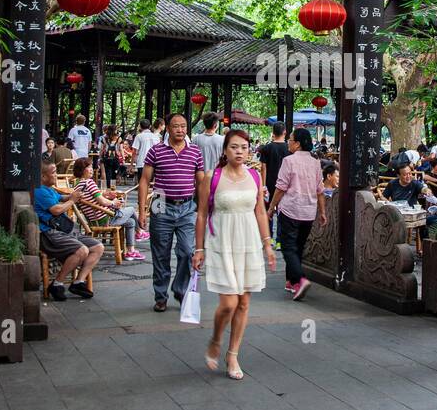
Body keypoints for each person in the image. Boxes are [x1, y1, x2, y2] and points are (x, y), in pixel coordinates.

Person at [193, 129, 276, 380]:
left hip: (248, 242)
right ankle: (216, 339)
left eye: (244, 147)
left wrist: (267, 244)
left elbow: (260, 212)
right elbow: (201, 214)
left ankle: (232, 354)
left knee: (244, 302)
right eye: (234, 147)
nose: (239, 151)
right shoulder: (212, 176)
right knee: (228, 303)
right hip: (221, 242)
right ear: (225, 150)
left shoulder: (255, 176)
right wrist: (199, 249)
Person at [139, 113, 206, 312]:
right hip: (160, 204)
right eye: (176, 126)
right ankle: (161, 296)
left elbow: (201, 181)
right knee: (161, 255)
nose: (180, 130)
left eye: (184, 126)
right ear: (167, 127)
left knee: (187, 251)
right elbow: (144, 181)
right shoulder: (155, 151)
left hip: (187, 207)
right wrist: (142, 211)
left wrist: (205, 207)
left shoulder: (195, 151)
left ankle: (180, 288)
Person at [269, 128, 327, 301]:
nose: (288, 142)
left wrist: (271, 207)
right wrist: (322, 212)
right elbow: (320, 190)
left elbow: (281, 188)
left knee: (288, 247)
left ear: (298, 143)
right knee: (298, 247)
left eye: (291, 139)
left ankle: (300, 279)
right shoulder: (315, 162)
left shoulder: (289, 161)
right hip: (309, 212)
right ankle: (291, 281)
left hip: (290, 210)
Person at [33, 159, 103, 300]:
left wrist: (72, 196)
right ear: (43, 176)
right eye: (53, 172)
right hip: (49, 234)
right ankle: (57, 284)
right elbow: (56, 210)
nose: (56, 175)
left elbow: (61, 197)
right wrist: (73, 200)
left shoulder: (49, 189)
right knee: (82, 250)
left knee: (98, 247)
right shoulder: (39, 191)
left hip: (64, 231)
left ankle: (79, 282)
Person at [71, 157, 145, 262]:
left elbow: (95, 199)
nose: (91, 169)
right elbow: (103, 202)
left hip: (94, 220)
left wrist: (105, 196)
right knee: (132, 209)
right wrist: (113, 203)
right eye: (88, 167)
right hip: (106, 218)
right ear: (81, 170)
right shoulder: (89, 183)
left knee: (131, 222)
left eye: (91, 167)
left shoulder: (78, 186)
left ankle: (130, 251)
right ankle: (140, 232)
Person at [257, 122, 289, 246]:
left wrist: (264, 185)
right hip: (284, 185)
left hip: (270, 183)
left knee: (268, 211)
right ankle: (279, 241)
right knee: (282, 212)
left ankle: (269, 238)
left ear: (273, 132)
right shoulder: (288, 148)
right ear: (285, 132)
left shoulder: (267, 148)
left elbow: (263, 168)